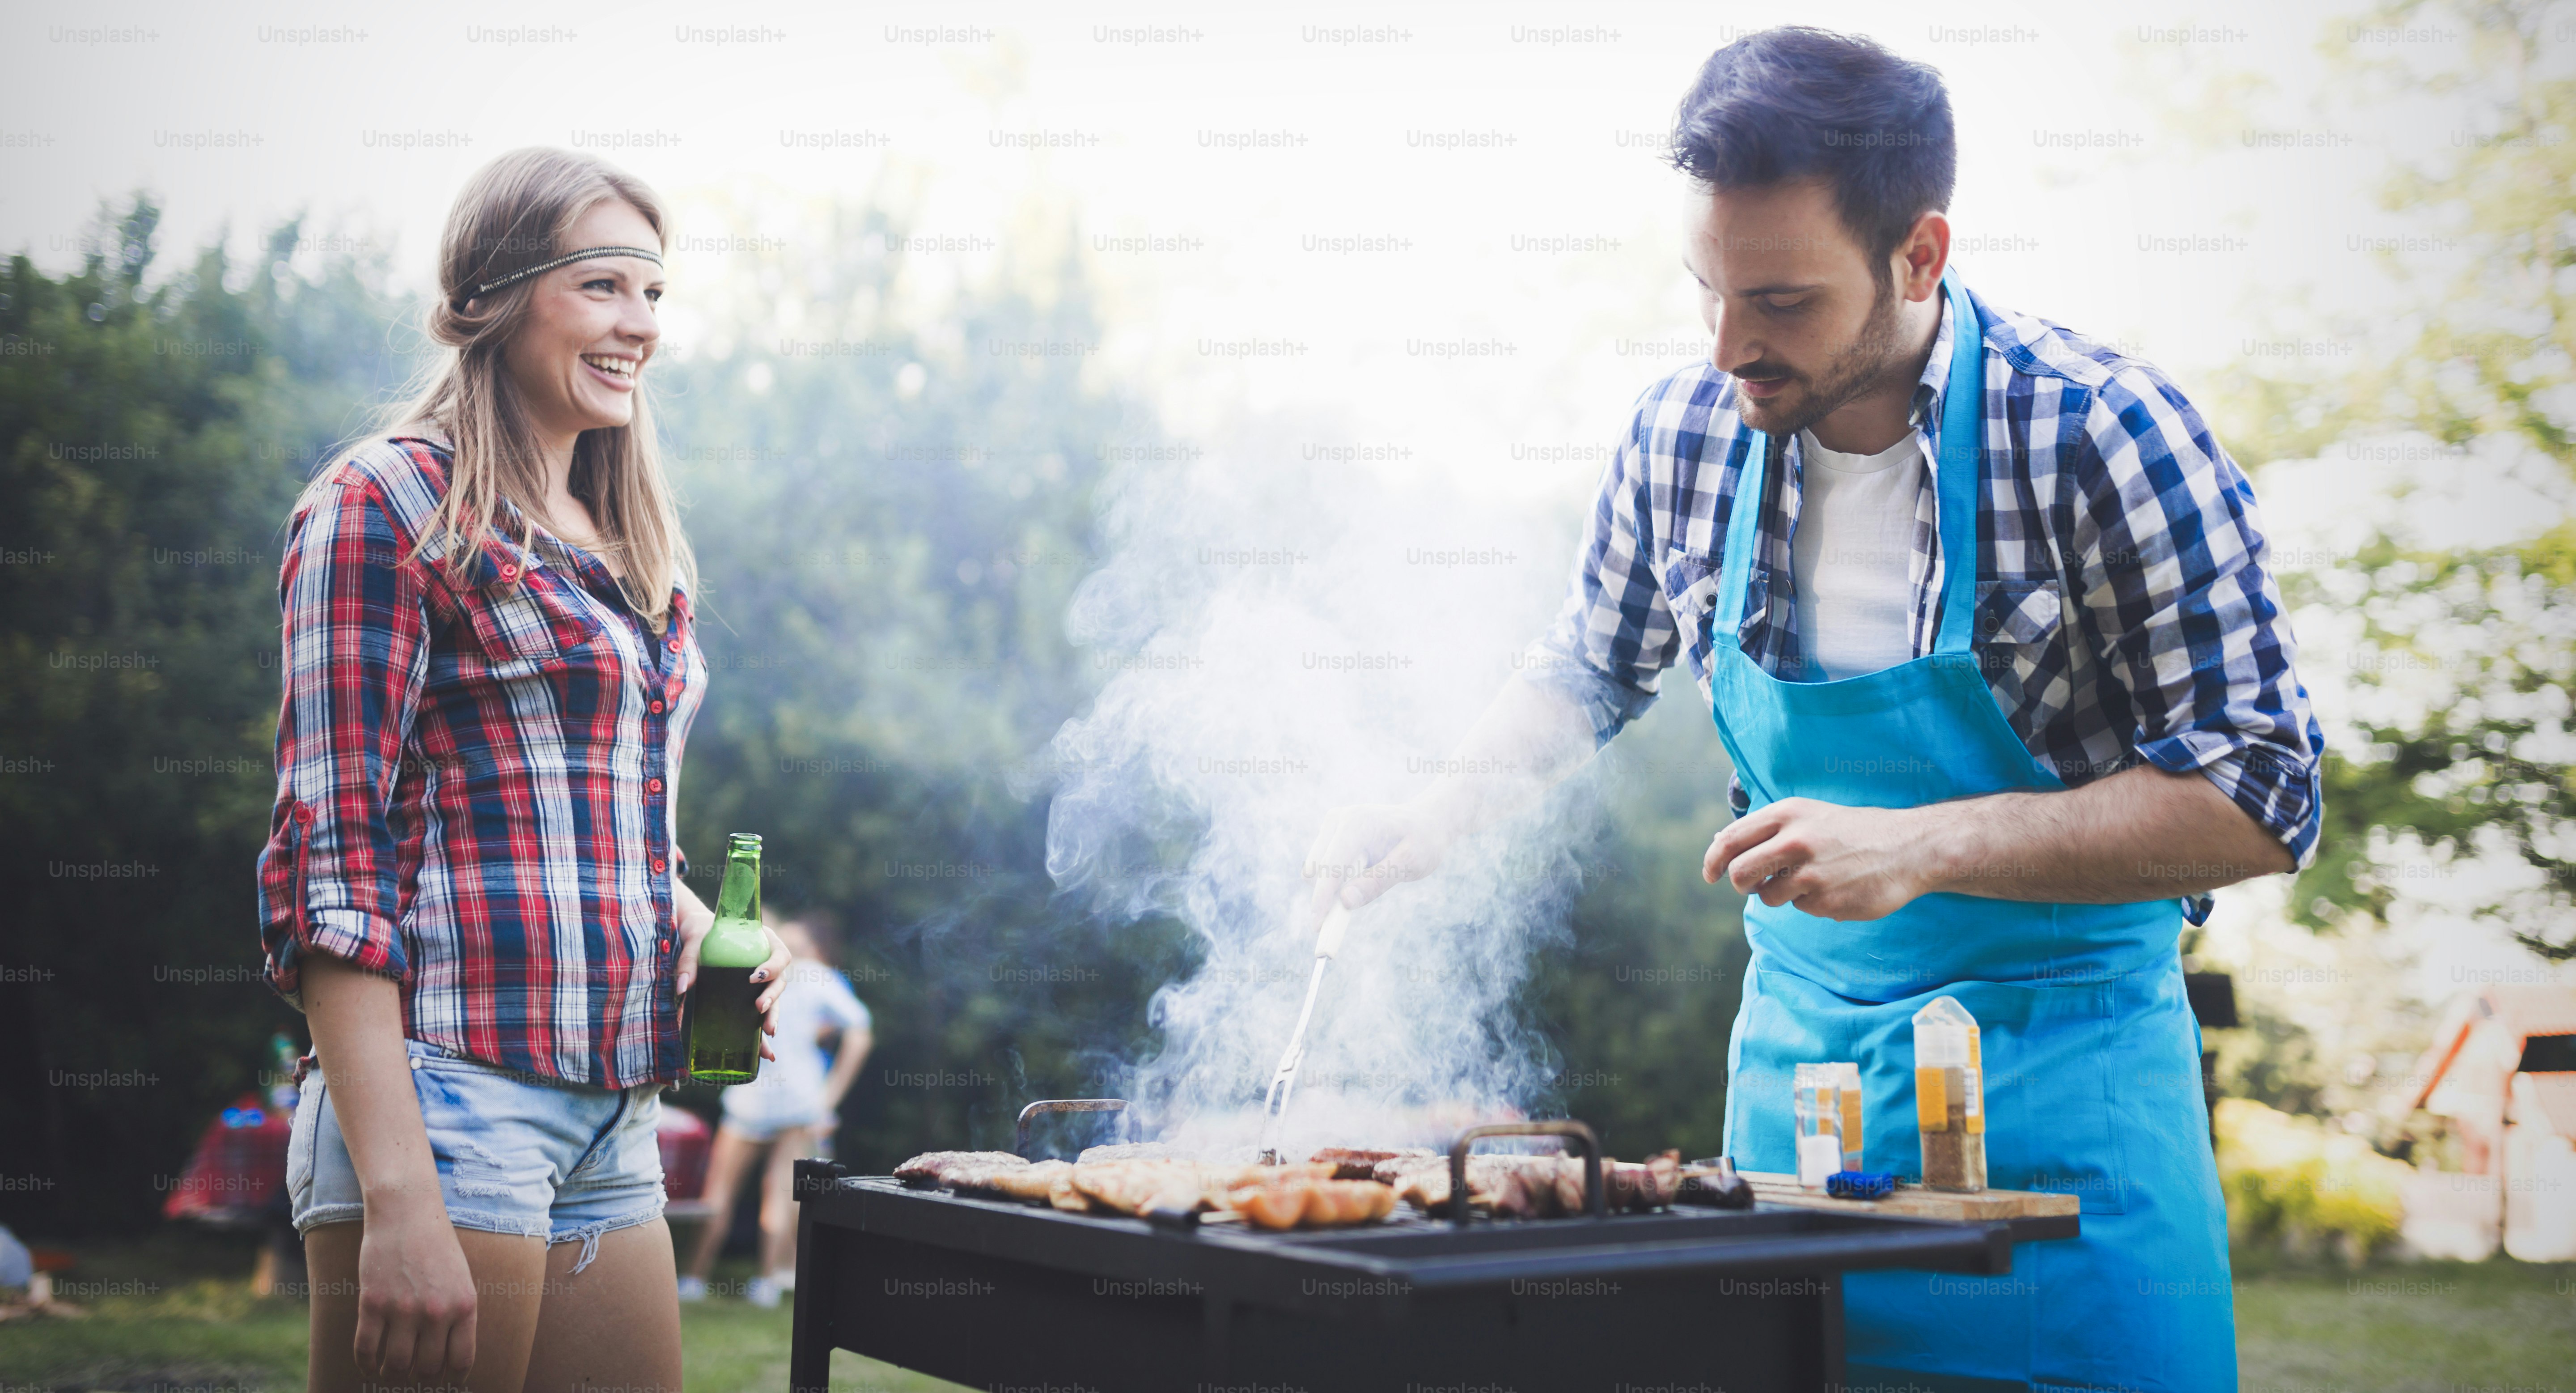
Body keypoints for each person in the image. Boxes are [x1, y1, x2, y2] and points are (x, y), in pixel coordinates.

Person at [1304, 27, 2321, 1392]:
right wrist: (1428, 816)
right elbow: (1588, 666)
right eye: (1708, 292)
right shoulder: (1685, 435)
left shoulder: (2103, 433)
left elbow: (2262, 794)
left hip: (2073, 1128)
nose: (1730, 347)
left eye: (1780, 303)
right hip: (1796, 1133)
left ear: (1920, 256)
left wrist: (1924, 846)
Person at [258, 147, 792, 1393]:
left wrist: (709, 927)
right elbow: (331, 862)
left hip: (614, 1104)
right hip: (449, 1102)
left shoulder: (632, 534)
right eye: (604, 285)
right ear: (498, 293)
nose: (639, 325)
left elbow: (598, 828)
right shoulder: (384, 503)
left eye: (654, 292)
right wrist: (400, 1198)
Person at [679, 917, 873, 1308]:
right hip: (795, 1100)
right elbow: (860, 1029)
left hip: (753, 1094)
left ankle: (694, 1281)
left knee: (721, 1192)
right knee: (778, 1193)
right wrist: (829, 1097)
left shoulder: (741, 968)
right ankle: (766, 1285)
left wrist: (827, 1097)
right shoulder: (818, 976)